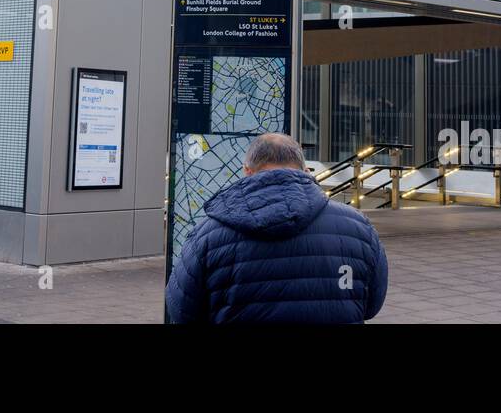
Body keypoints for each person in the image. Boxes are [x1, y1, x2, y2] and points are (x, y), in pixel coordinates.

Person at [165, 132, 388, 324]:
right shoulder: (359, 228)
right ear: (305, 170)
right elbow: (371, 305)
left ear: (247, 171)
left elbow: (182, 310)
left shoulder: (208, 234)